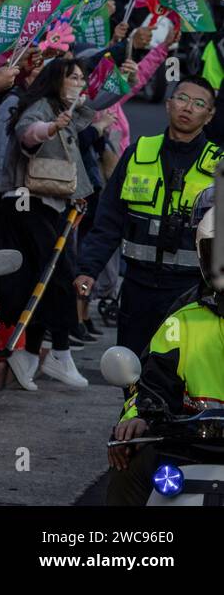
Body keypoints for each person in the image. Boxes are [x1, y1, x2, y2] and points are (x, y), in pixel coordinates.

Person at [76, 75, 221, 360]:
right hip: (137, 289)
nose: (188, 107)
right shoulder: (138, 154)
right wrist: (88, 269)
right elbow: (109, 220)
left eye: (198, 103)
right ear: (168, 104)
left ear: (210, 114)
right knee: (132, 368)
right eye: (181, 98)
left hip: (193, 293)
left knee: (182, 376)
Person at [106, 202, 224, 504]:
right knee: (128, 463)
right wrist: (136, 419)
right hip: (195, 446)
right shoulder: (183, 321)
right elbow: (149, 385)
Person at [0, 57, 95, 391]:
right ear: (57, 79)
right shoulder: (42, 107)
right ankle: (61, 352)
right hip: (28, 202)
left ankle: (29, 353)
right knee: (59, 276)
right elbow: (28, 135)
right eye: (74, 77)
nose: (79, 83)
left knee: (43, 278)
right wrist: (50, 129)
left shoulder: (62, 109)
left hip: (50, 204)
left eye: (83, 78)